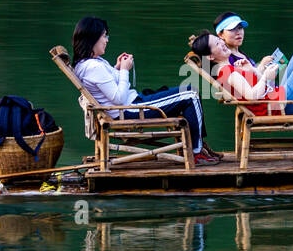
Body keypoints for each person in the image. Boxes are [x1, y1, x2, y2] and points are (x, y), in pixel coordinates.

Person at [72, 16, 221, 165]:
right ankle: (196, 152)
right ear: (93, 38)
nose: (107, 40)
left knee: (189, 92)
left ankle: (197, 145)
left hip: (131, 105)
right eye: (104, 36)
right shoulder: (93, 67)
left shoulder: (90, 63)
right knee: (191, 94)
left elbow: (108, 87)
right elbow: (117, 97)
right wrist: (124, 70)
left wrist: (117, 68)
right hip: (129, 110)